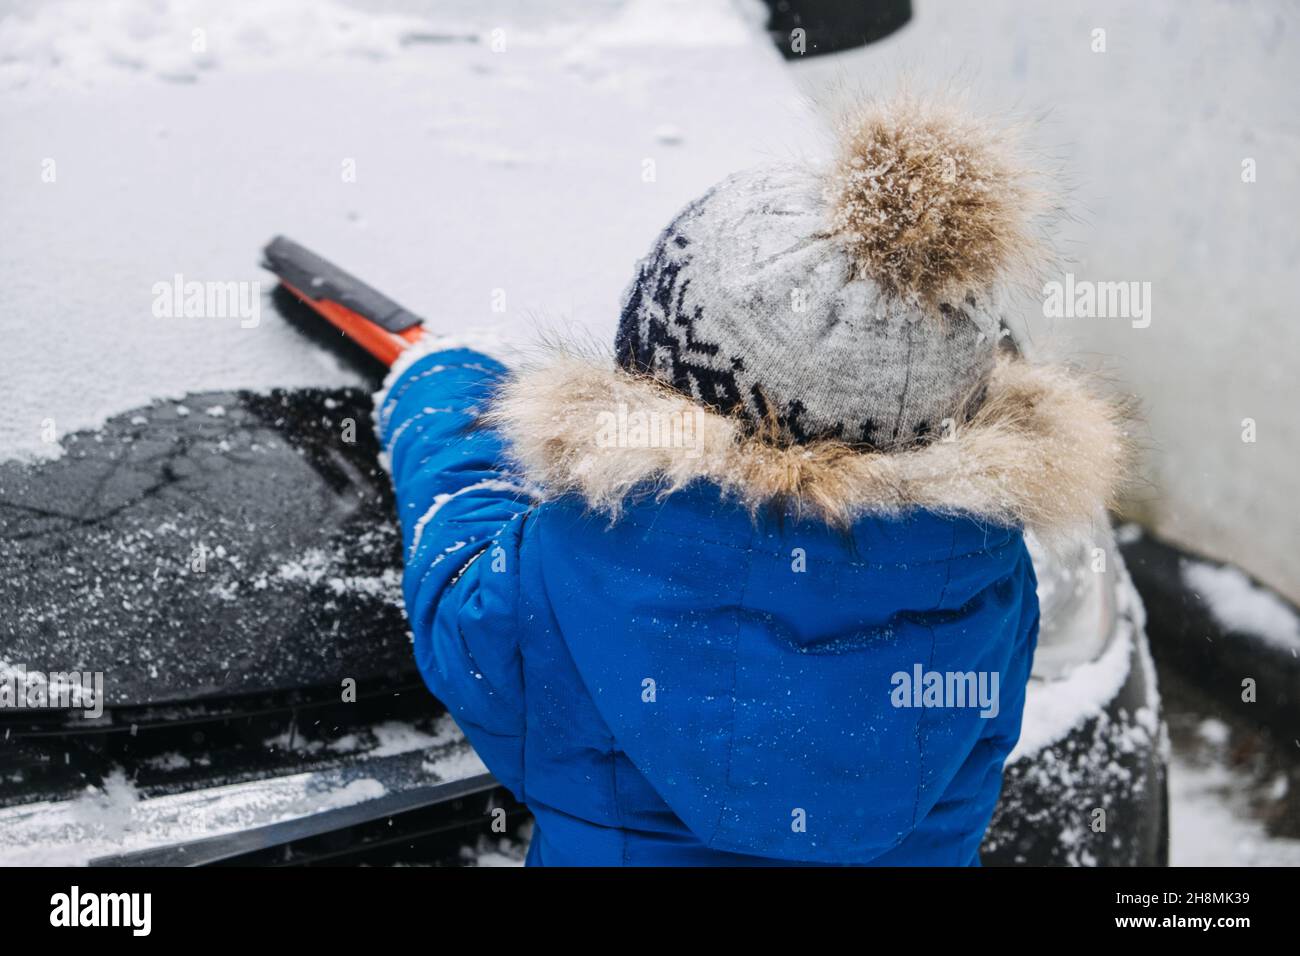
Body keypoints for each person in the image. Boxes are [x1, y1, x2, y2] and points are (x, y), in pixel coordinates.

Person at [371, 93, 1126, 865]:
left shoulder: (569, 566)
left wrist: (443, 386)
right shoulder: (987, 584)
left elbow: (455, 581)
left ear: (656, 377)